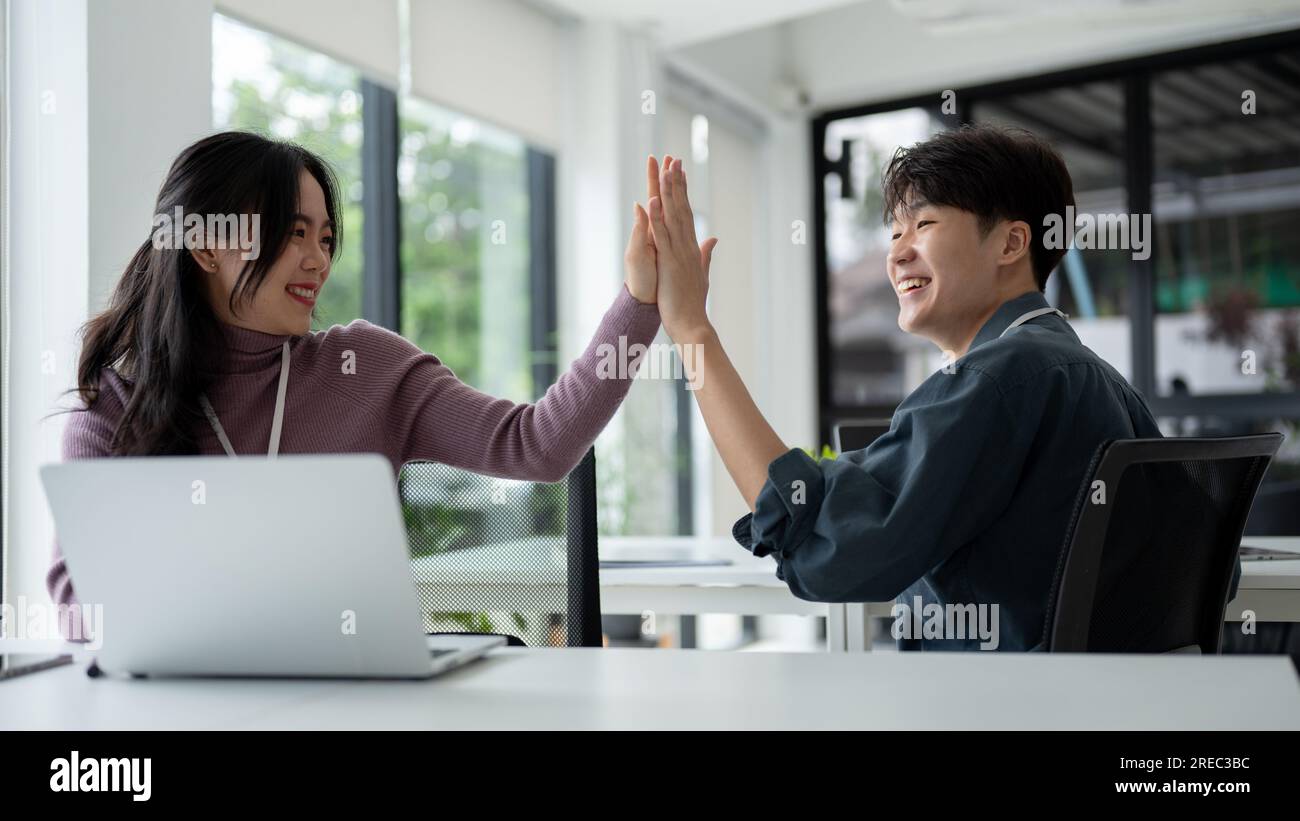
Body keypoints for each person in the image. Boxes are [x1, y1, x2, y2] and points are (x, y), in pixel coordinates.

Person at [641, 125, 1232, 651]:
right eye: (894, 230)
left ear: (1011, 243)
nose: (897, 252)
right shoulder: (1085, 374)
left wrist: (692, 328)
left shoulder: (996, 380)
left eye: (923, 223)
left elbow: (836, 555)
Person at [46, 131, 665, 623]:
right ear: (207, 247)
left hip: (358, 701)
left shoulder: (368, 368)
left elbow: (537, 444)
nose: (317, 259)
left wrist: (642, 300)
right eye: (292, 234)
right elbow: (82, 610)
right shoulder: (112, 412)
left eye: (325, 237)